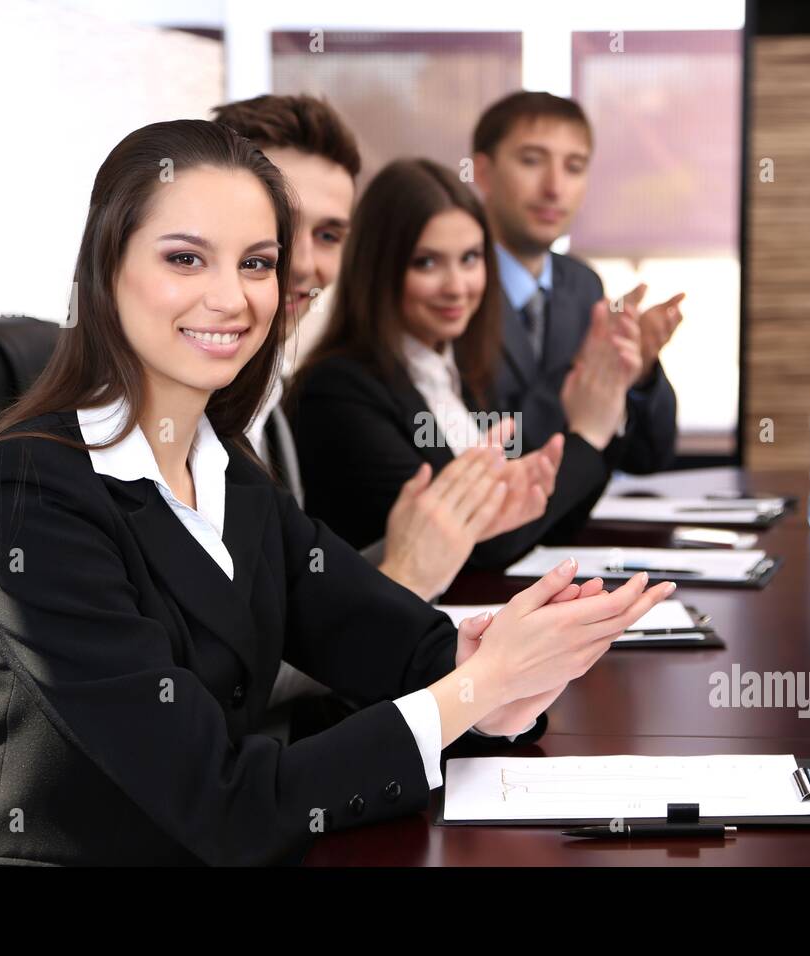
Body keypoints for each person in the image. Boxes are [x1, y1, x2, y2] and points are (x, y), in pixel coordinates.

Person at [0, 120, 676, 867]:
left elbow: (392, 638)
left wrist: (501, 670)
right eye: (186, 259)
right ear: (106, 269)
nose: (233, 298)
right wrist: (476, 690)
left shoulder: (227, 471)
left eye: (257, 263)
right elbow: (220, 802)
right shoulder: (30, 493)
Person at [212, 94, 556, 604]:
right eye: (279, 225)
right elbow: (223, 667)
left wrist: (421, 552)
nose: (305, 264)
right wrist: (405, 576)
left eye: (328, 235)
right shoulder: (323, 390)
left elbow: (287, 616)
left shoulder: (269, 414)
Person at [291, 158, 634, 566]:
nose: (456, 287)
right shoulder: (337, 390)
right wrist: (588, 434)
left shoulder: (463, 374)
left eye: (470, 258)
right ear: (379, 270)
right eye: (427, 263)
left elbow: (545, 520)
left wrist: (605, 399)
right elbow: (480, 541)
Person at [472, 91, 684, 473]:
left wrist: (638, 375)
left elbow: (647, 460)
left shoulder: (583, 285)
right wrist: (586, 371)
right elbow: (484, 445)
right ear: (483, 173)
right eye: (532, 161)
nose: (554, 187)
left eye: (574, 167)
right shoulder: (454, 290)